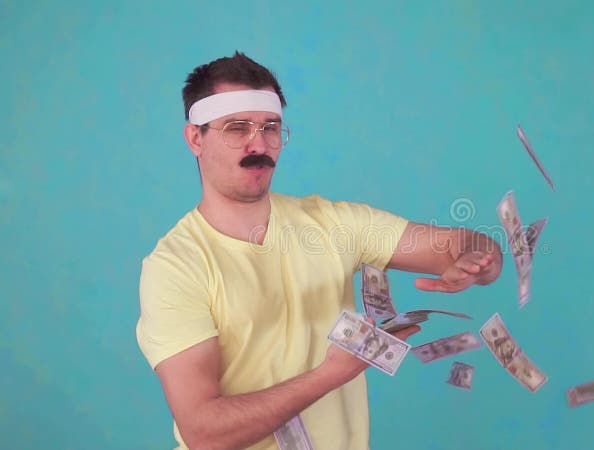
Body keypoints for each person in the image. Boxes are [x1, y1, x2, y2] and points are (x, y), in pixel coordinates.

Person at [136, 51, 503, 450]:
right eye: (236, 128)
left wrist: (478, 261)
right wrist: (331, 374)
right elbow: (204, 431)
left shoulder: (332, 225)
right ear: (195, 138)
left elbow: (457, 245)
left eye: (270, 128)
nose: (258, 144)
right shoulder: (175, 267)